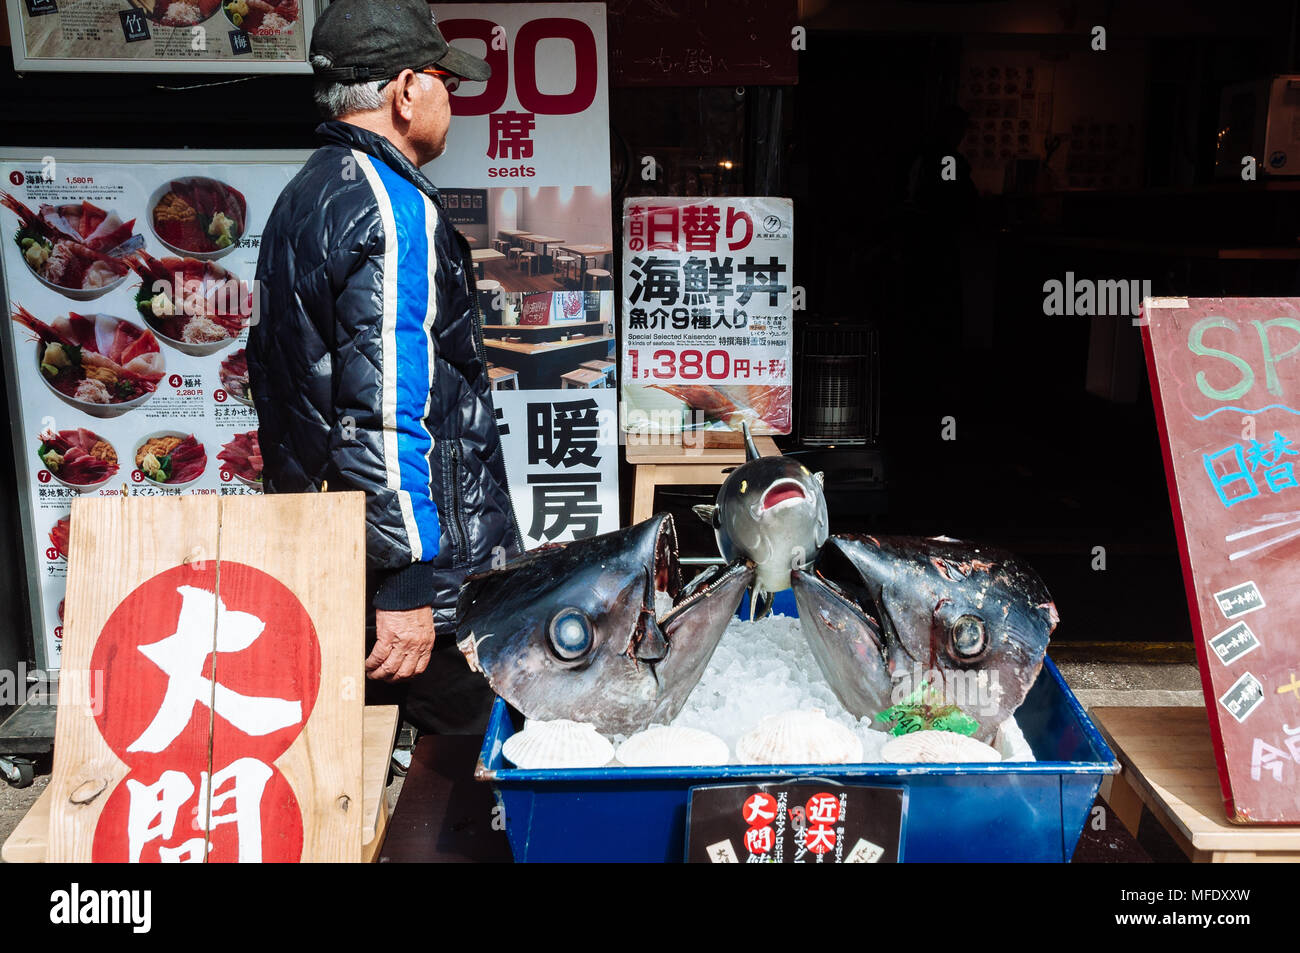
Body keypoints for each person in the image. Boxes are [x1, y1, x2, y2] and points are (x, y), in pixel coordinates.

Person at [248, 0, 524, 734]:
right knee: (463, 792)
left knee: (348, 775)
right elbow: (383, 412)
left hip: (332, 552)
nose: (451, 100)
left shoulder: (307, 193)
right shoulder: (392, 208)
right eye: (445, 81)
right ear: (406, 90)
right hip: (415, 577)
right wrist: (409, 585)